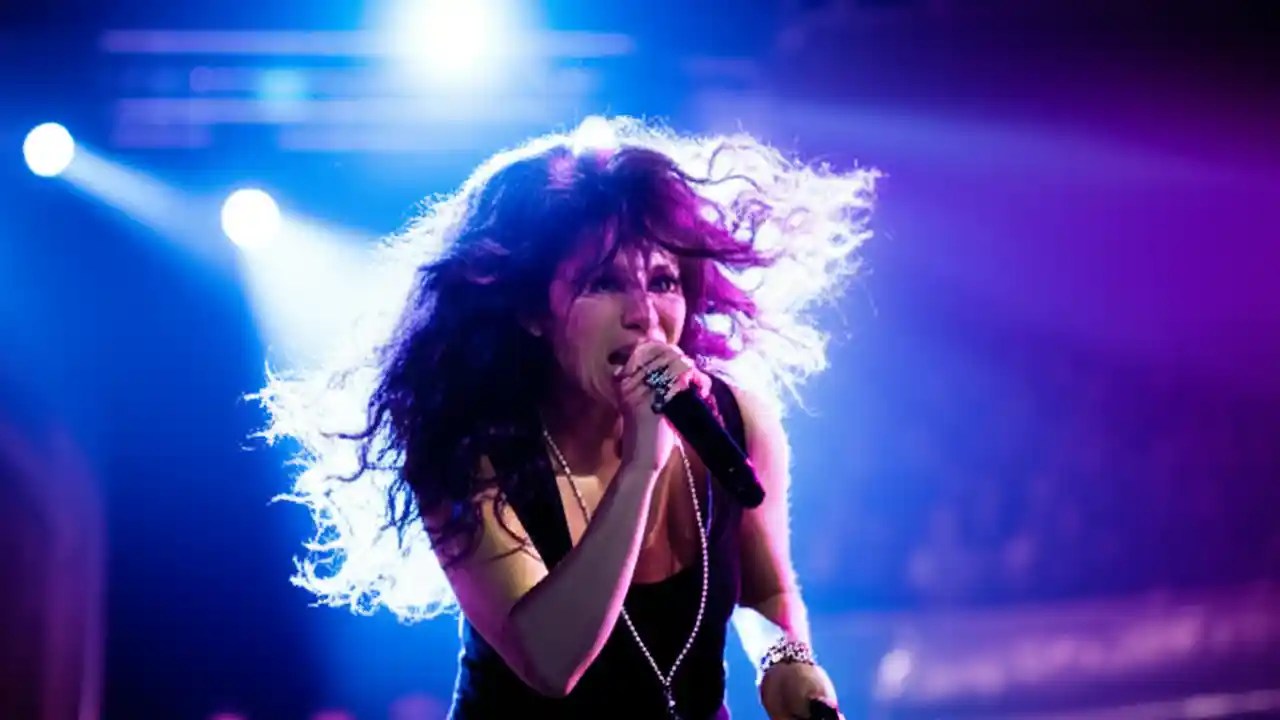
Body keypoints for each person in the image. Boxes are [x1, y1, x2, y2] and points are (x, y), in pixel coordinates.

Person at [258, 117, 876, 719]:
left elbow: (764, 591)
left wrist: (786, 660)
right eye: (604, 283)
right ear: (532, 310)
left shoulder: (732, 420)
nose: (645, 315)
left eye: (664, 281)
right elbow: (550, 662)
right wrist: (641, 463)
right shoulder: (467, 449)